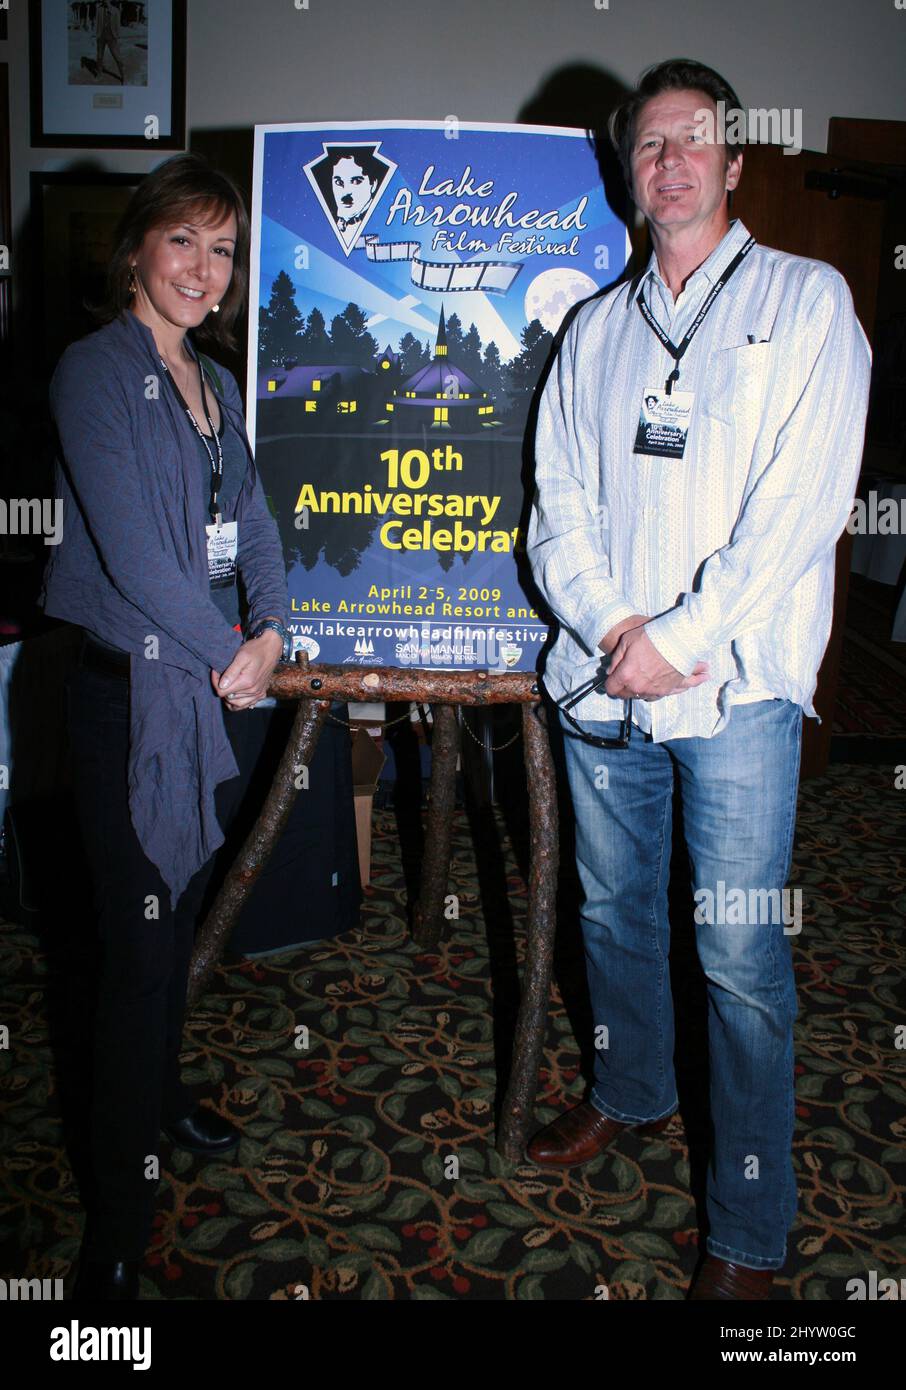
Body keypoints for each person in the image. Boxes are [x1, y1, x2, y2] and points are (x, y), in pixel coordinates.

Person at [525, 58, 871, 1299]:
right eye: (648, 143)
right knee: (614, 920)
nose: (668, 159)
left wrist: (687, 632)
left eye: (693, 140)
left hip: (738, 694)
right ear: (631, 172)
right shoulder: (594, 331)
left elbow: (804, 505)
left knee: (737, 959)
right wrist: (620, 626)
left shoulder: (809, 301)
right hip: (607, 681)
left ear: (733, 164)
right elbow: (554, 503)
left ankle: (749, 1230)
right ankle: (630, 1089)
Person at [40, 152, 293, 1300]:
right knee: (137, 956)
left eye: (224, 247)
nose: (203, 267)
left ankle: (152, 1091)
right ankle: (115, 1227)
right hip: (124, 693)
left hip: (213, 688)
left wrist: (274, 631)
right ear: (138, 248)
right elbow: (139, 559)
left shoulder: (217, 385)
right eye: (182, 240)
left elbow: (256, 519)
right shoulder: (92, 374)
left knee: (177, 921)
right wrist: (228, 653)